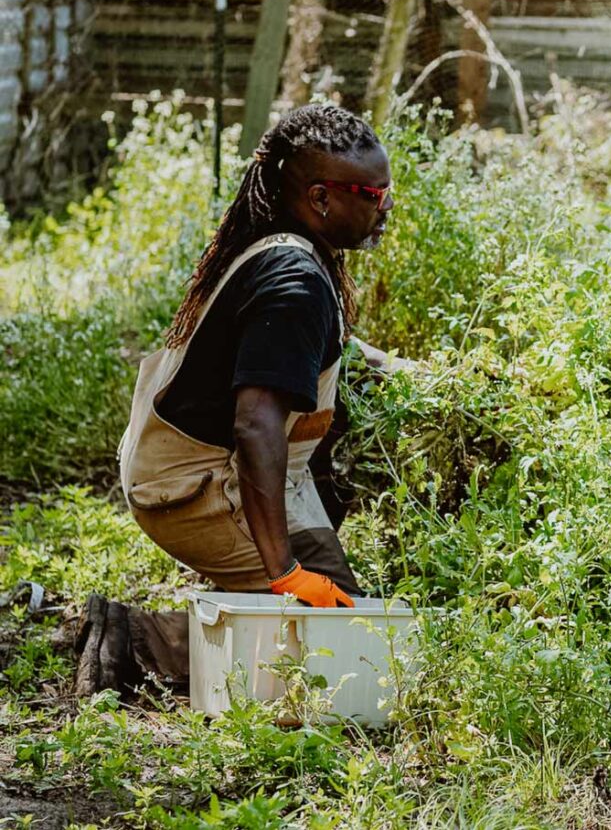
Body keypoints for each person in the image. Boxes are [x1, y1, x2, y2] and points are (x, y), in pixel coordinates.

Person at [76, 103, 404, 694]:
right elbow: (256, 426)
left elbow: (329, 347)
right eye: (372, 193)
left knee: (333, 616)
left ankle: (248, 585)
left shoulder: (288, 247)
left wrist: (412, 370)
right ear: (323, 198)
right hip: (196, 487)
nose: (387, 205)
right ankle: (136, 640)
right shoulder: (294, 280)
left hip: (185, 461)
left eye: (388, 188)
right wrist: (284, 571)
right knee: (342, 641)